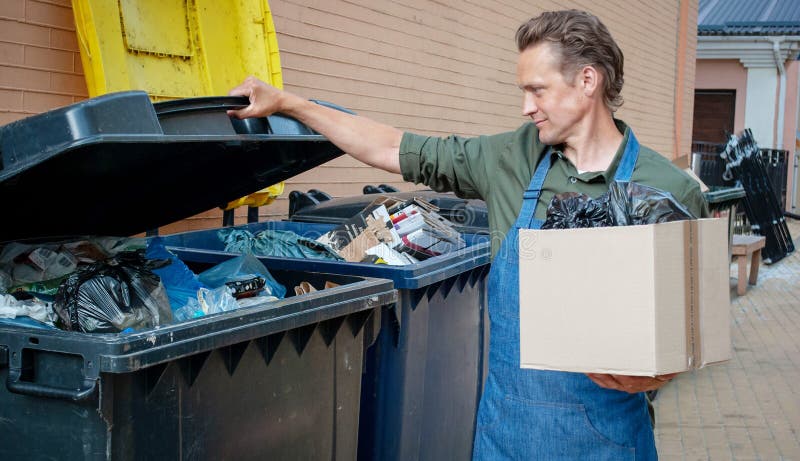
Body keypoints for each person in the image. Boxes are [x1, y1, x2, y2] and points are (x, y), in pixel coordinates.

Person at [228, 9, 707, 460]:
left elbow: (688, 333)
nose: (526, 107)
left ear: (587, 80)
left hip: (607, 441)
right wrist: (291, 103)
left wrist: (661, 371)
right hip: (506, 435)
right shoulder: (510, 159)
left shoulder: (669, 189)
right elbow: (392, 147)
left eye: (537, 90)